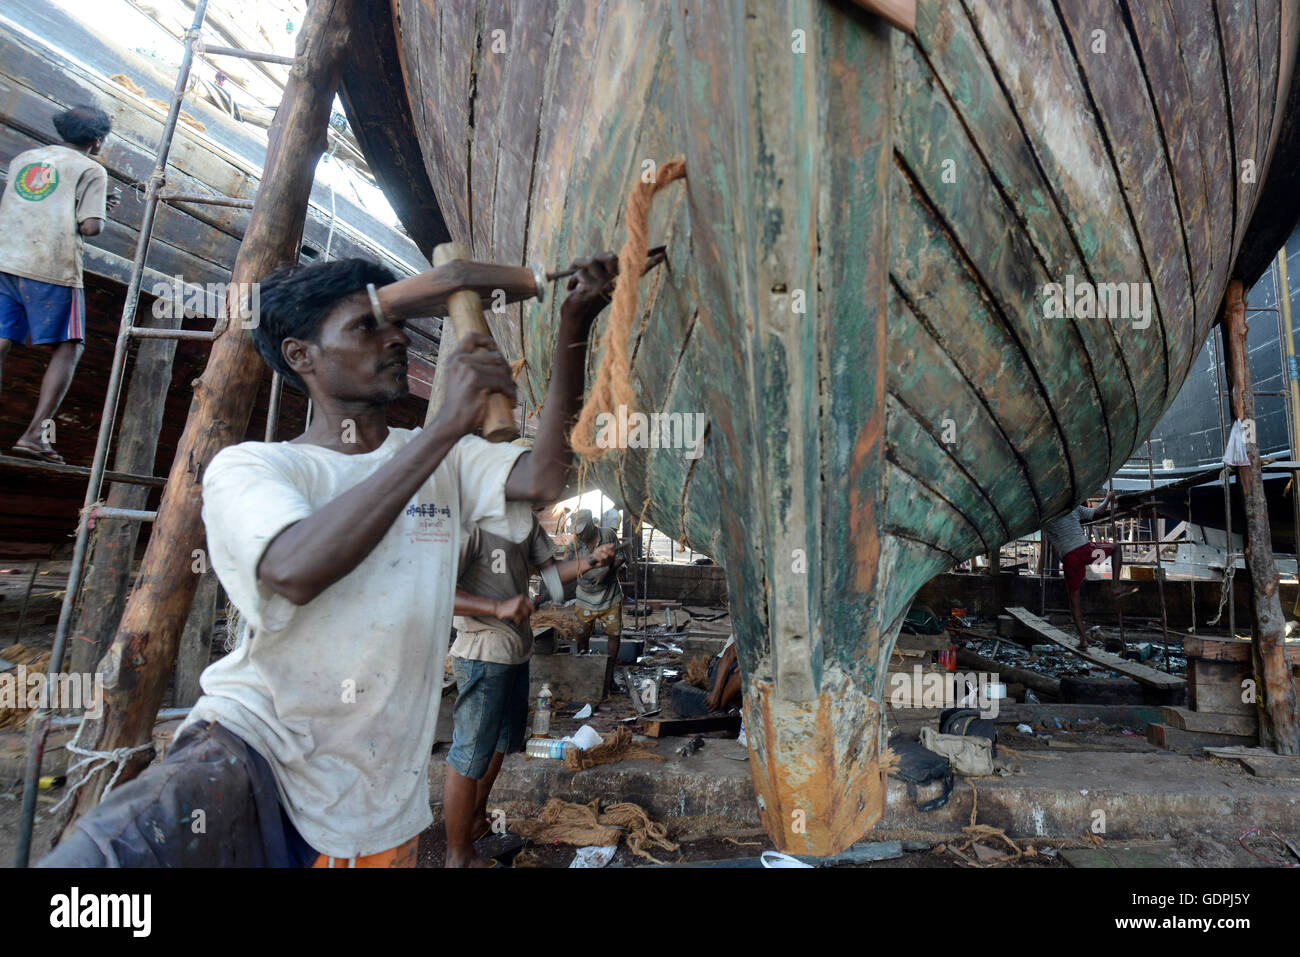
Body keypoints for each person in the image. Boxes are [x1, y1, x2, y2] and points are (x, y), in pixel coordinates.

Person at [39, 251, 621, 867]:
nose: (396, 337)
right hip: (255, 751)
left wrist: (573, 327)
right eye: (366, 327)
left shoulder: (441, 458)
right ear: (301, 356)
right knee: (102, 865)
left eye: (393, 323)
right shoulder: (256, 467)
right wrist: (446, 428)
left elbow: (544, 478)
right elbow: (294, 569)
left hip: (375, 792)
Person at [443, 501, 615, 867]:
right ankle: (457, 855)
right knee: (470, 754)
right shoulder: (470, 521)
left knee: (503, 740)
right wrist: (496, 607)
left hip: (515, 649)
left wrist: (591, 561)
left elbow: (550, 576)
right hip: (481, 650)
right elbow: (437, 591)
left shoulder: (524, 520)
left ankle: (475, 819)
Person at [0, 105, 120, 464]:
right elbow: (91, 227)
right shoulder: (90, 169)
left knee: (3, 339)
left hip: (6, 259)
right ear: (97, 141)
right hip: (51, 266)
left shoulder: (27, 158)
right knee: (68, 347)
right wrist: (102, 211)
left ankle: (37, 435)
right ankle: (35, 435)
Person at [1041, 491, 1126, 649]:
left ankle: (1083, 640)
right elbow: (1099, 511)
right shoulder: (1073, 508)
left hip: (1069, 559)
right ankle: (1115, 585)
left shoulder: (1045, 517)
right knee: (1116, 547)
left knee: (1074, 600)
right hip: (1084, 551)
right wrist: (1108, 497)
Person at [569, 507, 626, 658]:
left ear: (590, 524)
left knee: (614, 633)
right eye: (576, 532)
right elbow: (563, 567)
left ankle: (610, 668)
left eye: (581, 531)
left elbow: (621, 557)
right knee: (581, 635)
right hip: (584, 597)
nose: (579, 535)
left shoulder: (608, 534)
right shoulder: (574, 544)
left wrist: (607, 572)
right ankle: (584, 664)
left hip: (610, 595)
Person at [704, 634, 741, 713]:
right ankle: (720, 710)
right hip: (723, 668)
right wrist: (716, 693)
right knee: (741, 677)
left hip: (738, 666)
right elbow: (729, 654)